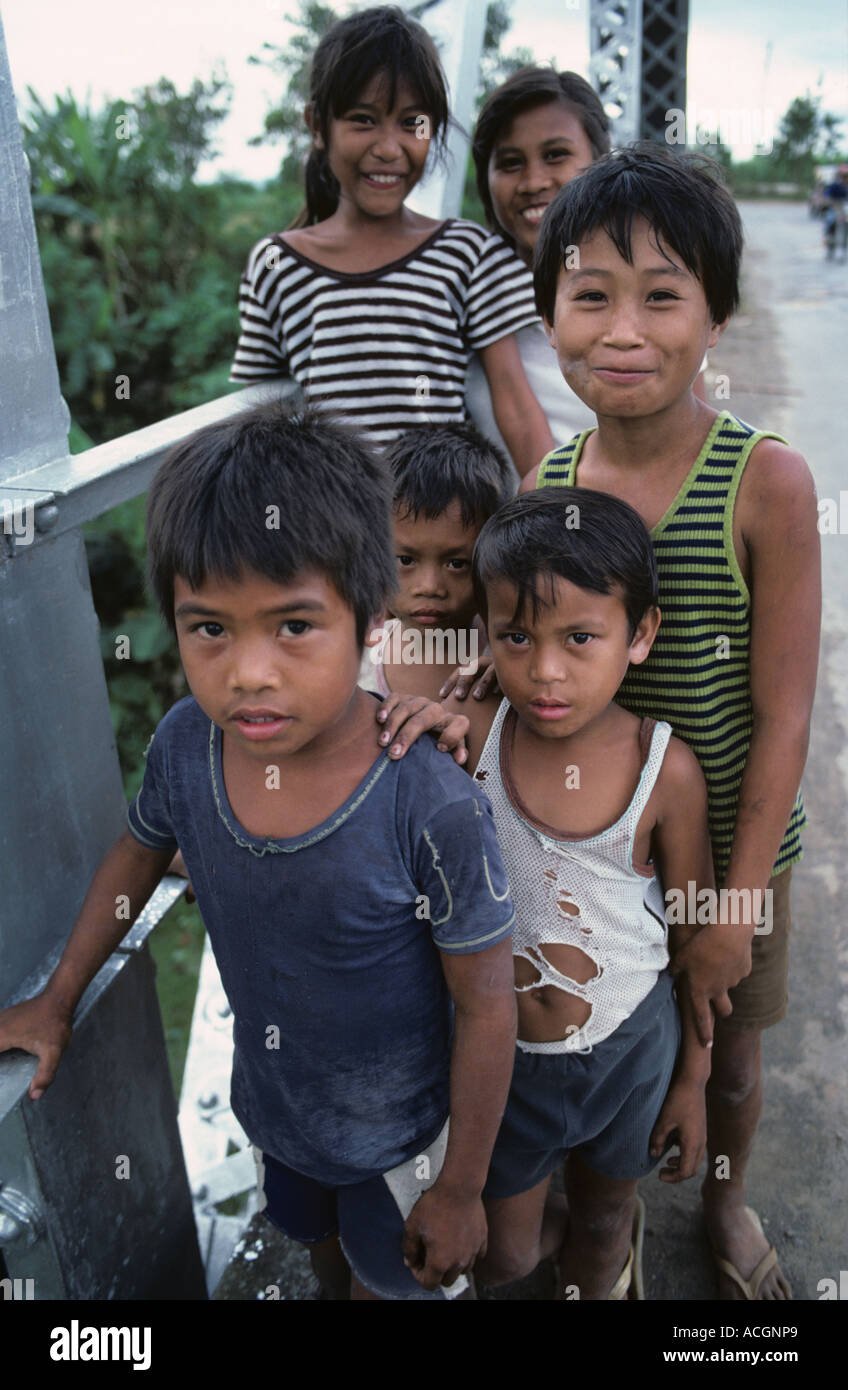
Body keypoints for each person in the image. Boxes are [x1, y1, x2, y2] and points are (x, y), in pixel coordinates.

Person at [0, 399, 518, 1303]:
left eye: (292, 626)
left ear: (371, 616)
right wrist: (56, 999)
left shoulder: (429, 802)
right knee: (317, 1252)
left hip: (402, 1145)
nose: (248, 672)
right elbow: (134, 854)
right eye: (209, 628)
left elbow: (486, 1005)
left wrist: (463, 1186)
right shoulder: (184, 748)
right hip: (278, 1113)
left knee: (392, 1278)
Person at [521, 144, 821, 1299]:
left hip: (732, 852)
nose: (622, 328)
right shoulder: (546, 486)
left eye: (661, 294)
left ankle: (725, 1198)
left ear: (717, 315)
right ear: (549, 309)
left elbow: (782, 712)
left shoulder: (765, 482)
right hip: (599, 850)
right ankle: (608, 1215)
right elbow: (526, 660)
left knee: (731, 1046)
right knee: (619, 1036)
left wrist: (731, 906)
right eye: (588, 294)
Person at [432, 488, 713, 1299]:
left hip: (632, 1051)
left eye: (580, 637)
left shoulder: (668, 773)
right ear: (486, 634)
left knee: (603, 1222)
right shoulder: (473, 735)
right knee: (508, 1256)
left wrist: (693, 1081)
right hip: (502, 1068)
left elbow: (694, 943)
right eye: (517, 637)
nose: (545, 670)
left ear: (642, 635)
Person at [229, 6, 554, 476]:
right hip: (336, 530)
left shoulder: (468, 254)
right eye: (363, 120)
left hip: (444, 535)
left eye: (412, 124)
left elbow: (518, 409)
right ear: (318, 126)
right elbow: (258, 422)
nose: (389, 148)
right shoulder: (276, 264)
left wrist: (555, 510)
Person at [465, 66, 610, 457]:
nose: (533, 182)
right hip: (521, 513)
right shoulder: (470, 278)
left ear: (601, 161)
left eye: (555, 155)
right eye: (510, 163)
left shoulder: (647, 280)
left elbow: (686, 433)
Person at [360, 422, 511, 705]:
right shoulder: (356, 663)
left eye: (456, 564)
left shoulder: (509, 660)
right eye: (405, 560)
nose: (429, 587)